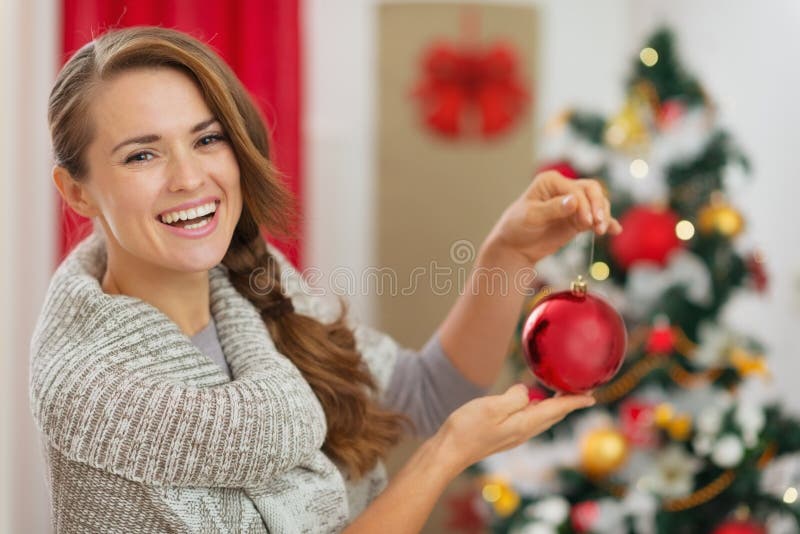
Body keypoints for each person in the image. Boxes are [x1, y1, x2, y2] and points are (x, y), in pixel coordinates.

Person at [30, 26, 621, 533]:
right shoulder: (99, 399)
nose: (189, 178)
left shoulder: (250, 284)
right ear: (77, 191)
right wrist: (444, 458)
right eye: (142, 155)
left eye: (207, 139)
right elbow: (441, 428)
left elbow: (428, 394)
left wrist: (508, 253)